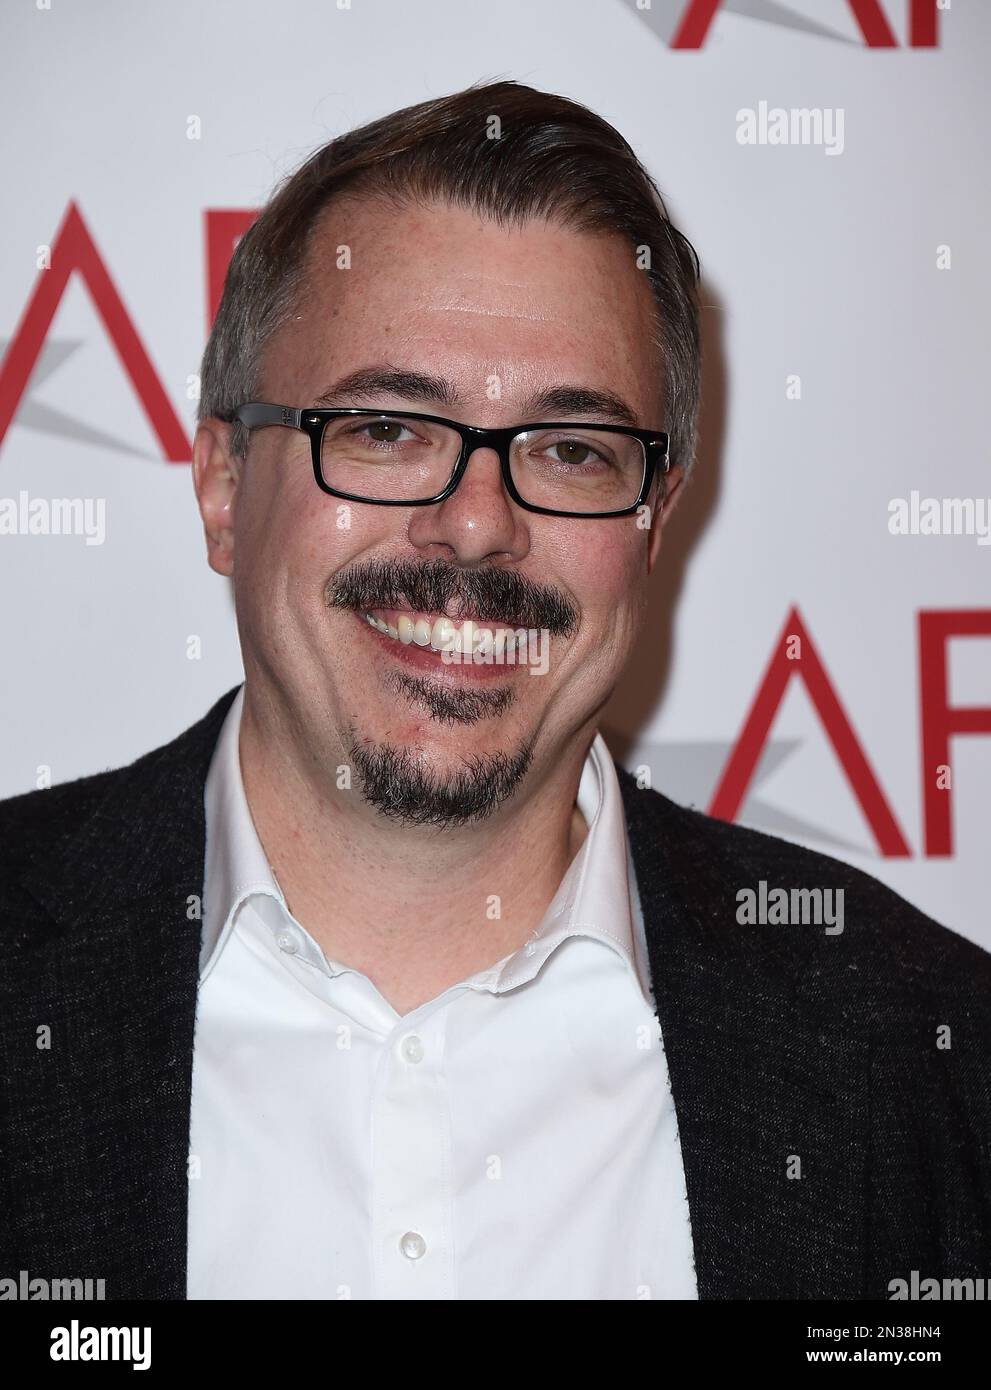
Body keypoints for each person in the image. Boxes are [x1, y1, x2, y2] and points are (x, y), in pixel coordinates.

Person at [2, 80, 989, 1302]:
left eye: (570, 450)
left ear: (653, 520)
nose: (475, 526)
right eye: (385, 427)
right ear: (220, 485)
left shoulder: (930, 1050)